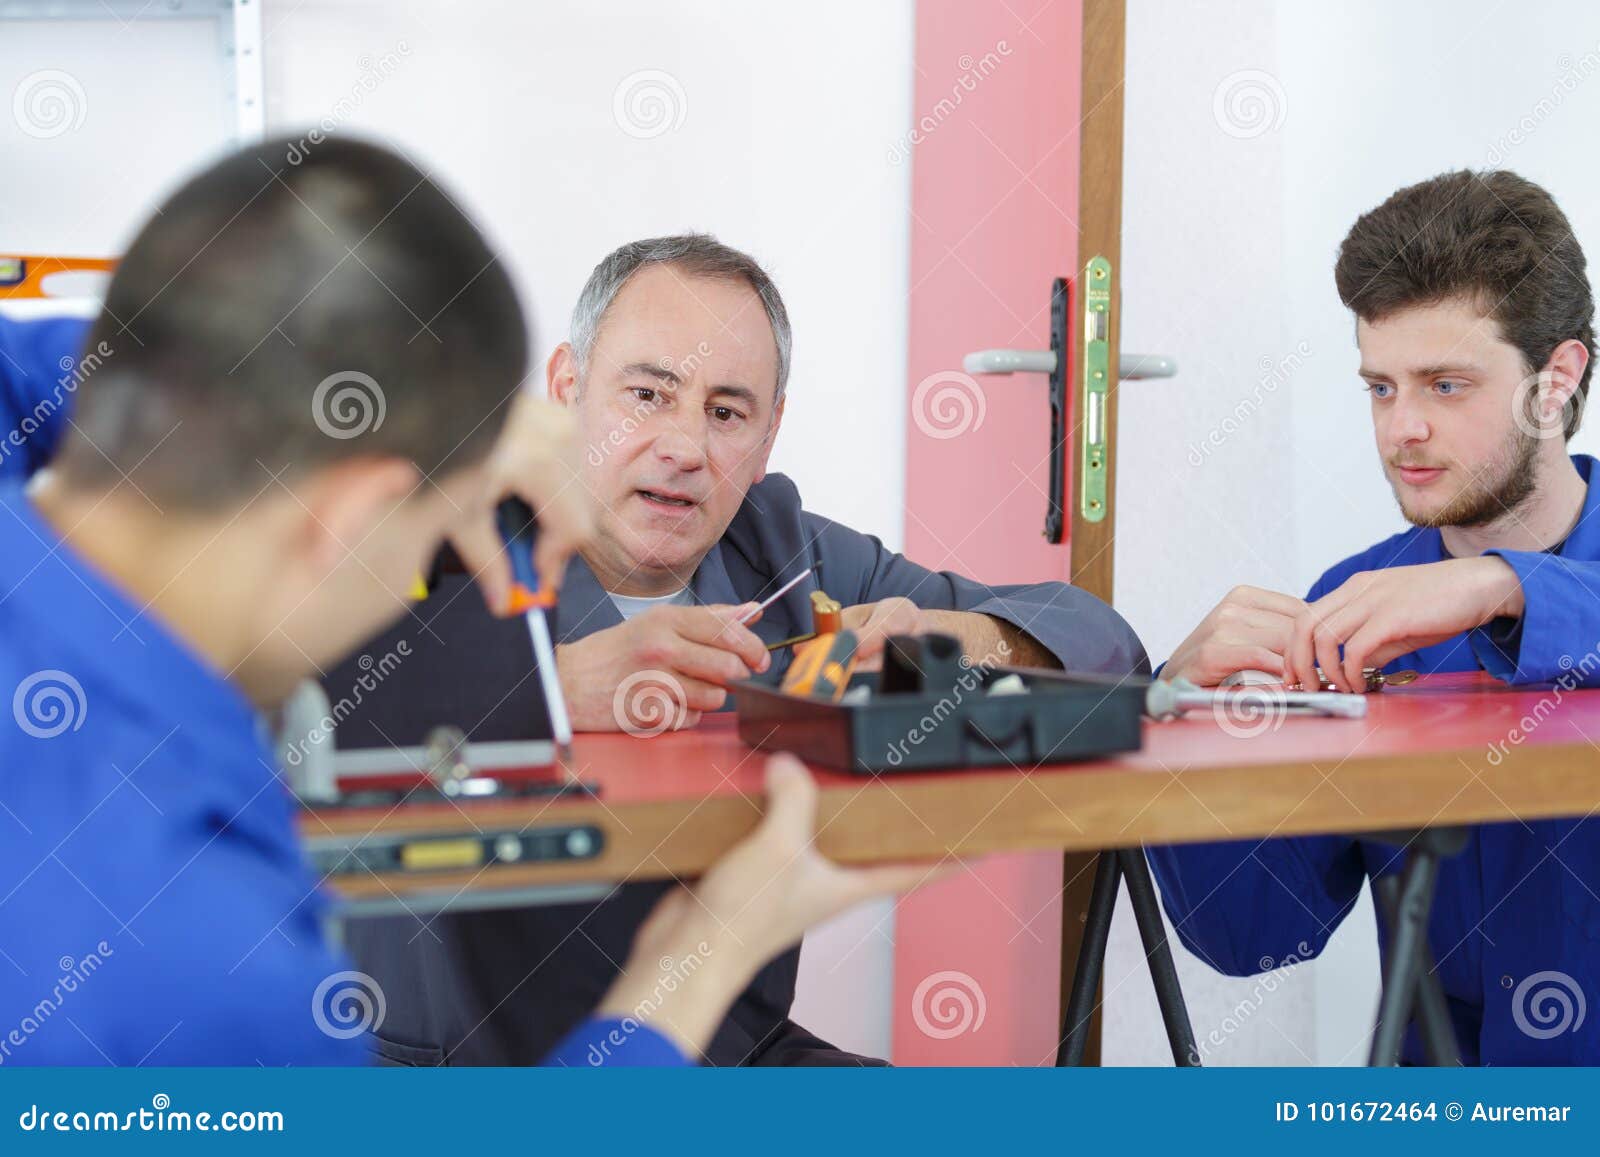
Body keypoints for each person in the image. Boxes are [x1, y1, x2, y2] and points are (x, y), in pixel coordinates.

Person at [0, 137, 930, 1066]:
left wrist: (263, 369)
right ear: (351, 523)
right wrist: (704, 949)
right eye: (439, 531)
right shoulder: (211, 973)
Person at [349, 233, 1151, 1066]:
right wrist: (545, 687)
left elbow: (1110, 645)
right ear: (566, 390)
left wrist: (959, 639)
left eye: (726, 413)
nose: (686, 447)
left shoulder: (786, 556)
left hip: (727, 1056)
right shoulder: (443, 538)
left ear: (768, 438)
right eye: (648, 395)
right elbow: (275, 731)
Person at [1151, 169, 1600, 1064]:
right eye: (1381, 388)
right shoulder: (1355, 602)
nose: (1403, 430)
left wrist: (1502, 586)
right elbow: (1254, 934)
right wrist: (1179, 720)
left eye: (1445, 385)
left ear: (1555, 381)